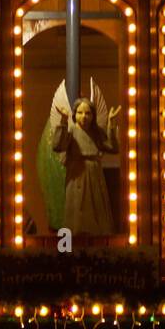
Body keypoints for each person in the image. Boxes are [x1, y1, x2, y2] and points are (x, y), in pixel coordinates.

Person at [50, 96, 121, 235]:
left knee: (96, 208)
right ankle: (73, 242)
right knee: (77, 209)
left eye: (88, 113)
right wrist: (63, 120)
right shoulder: (71, 131)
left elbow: (113, 147)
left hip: (94, 174)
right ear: (75, 114)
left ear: (93, 116)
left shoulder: (96, 132)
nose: (84, 116)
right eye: (80, 112)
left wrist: (111, 124)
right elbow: (58, 145)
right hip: (77, 174)